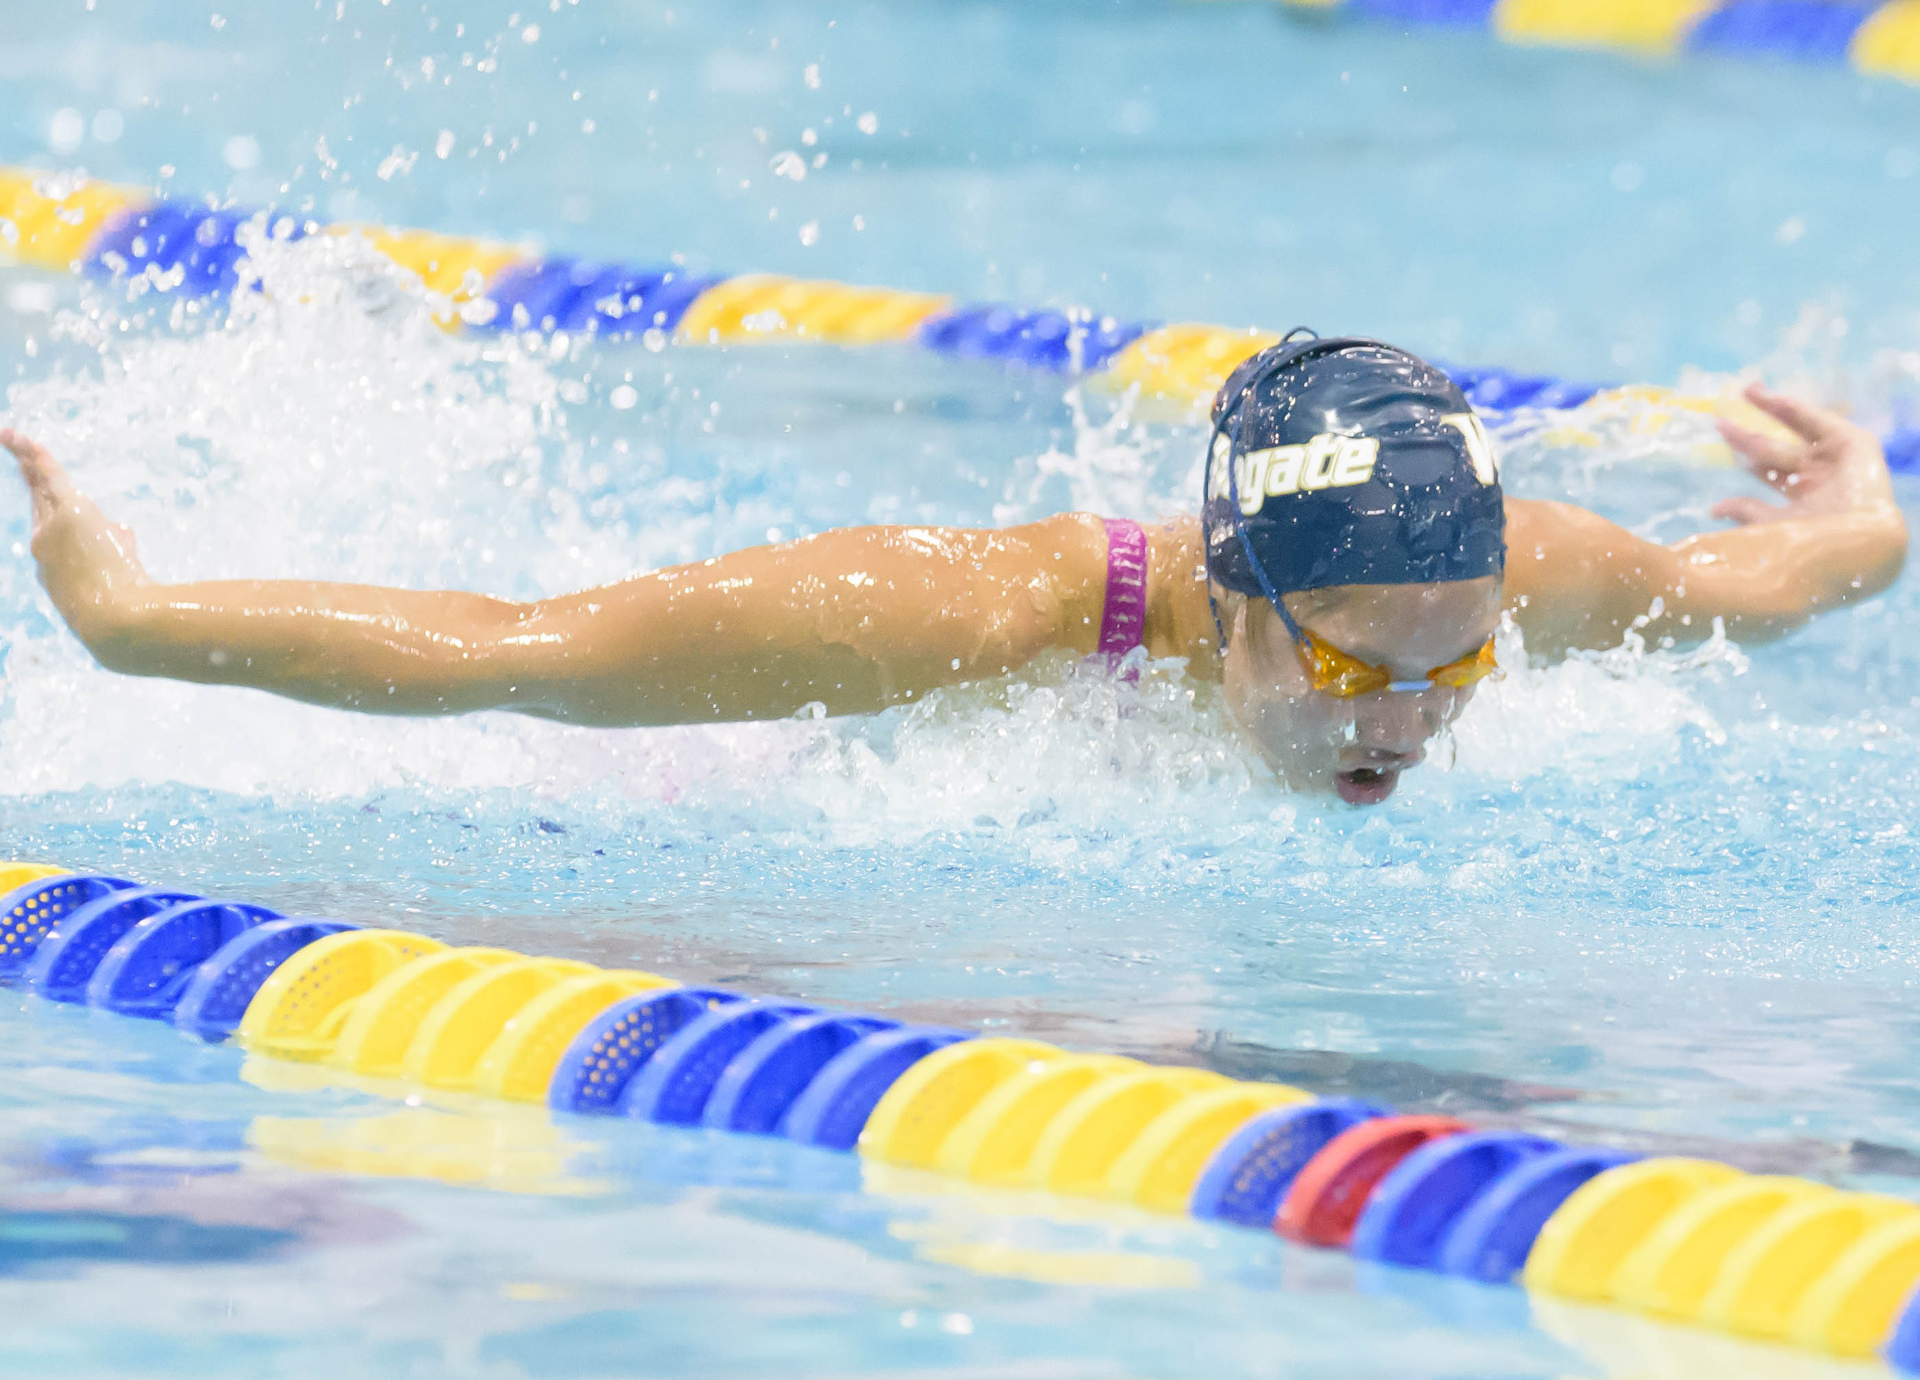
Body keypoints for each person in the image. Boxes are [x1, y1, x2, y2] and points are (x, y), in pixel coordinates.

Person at [2, 335, 1905, 806]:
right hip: (687, 778)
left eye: (1457, 667)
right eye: (1344, 671)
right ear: (1230, 591)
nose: (1409, 717)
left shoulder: (1496, 576)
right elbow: (519, 648)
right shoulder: (970, 614)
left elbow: (1753, 592)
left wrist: (1869, 516)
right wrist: (131, 617)